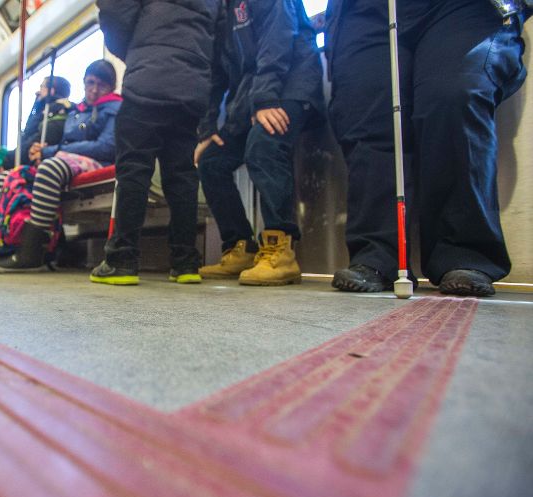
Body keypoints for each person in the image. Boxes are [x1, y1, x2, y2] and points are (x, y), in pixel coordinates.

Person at [326, 0, 530, 297]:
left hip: (462, 7)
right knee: (370, 113)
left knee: (453, 95)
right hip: (369, 11)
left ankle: (463, 251)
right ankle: (376, 254)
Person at [195, 0, 324, 286]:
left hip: (291, 83)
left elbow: (278, 38)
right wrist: (206, 130)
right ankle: (240, 246)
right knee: (211, 162)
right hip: (253, 96)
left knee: (263, 145)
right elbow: (215, 74)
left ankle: (281, 249)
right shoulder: (220, 11)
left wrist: (265, 99)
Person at [90, 0, 219, 285]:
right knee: (182, 175)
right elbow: (220, 39)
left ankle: (121, 261)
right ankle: (185, 263)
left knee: (133, 169)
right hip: (192, 86)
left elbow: (114, 10)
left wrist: (135, 52)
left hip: (148, 79)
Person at [0, 60, 121, 272]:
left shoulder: (114, 107)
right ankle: (4, 244)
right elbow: (64, 144)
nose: (94, 90)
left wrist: (52, 151)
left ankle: (31, 252)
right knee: (9, 177)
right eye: (90, 82)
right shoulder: (77, 111)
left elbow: (106, 147)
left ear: (111, 87)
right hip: (69, 159)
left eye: (101, 85)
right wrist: (45, 150)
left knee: (49, 169)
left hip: (97, 161)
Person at [0, 77, 72, 236]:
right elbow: (25, 140)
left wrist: (7, 160)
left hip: (37, 166)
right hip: (28, 162)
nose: (38, 91)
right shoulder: (42, 112)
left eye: (42, 87)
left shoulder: (58, 112)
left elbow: (34, 145)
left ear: (51, 91)